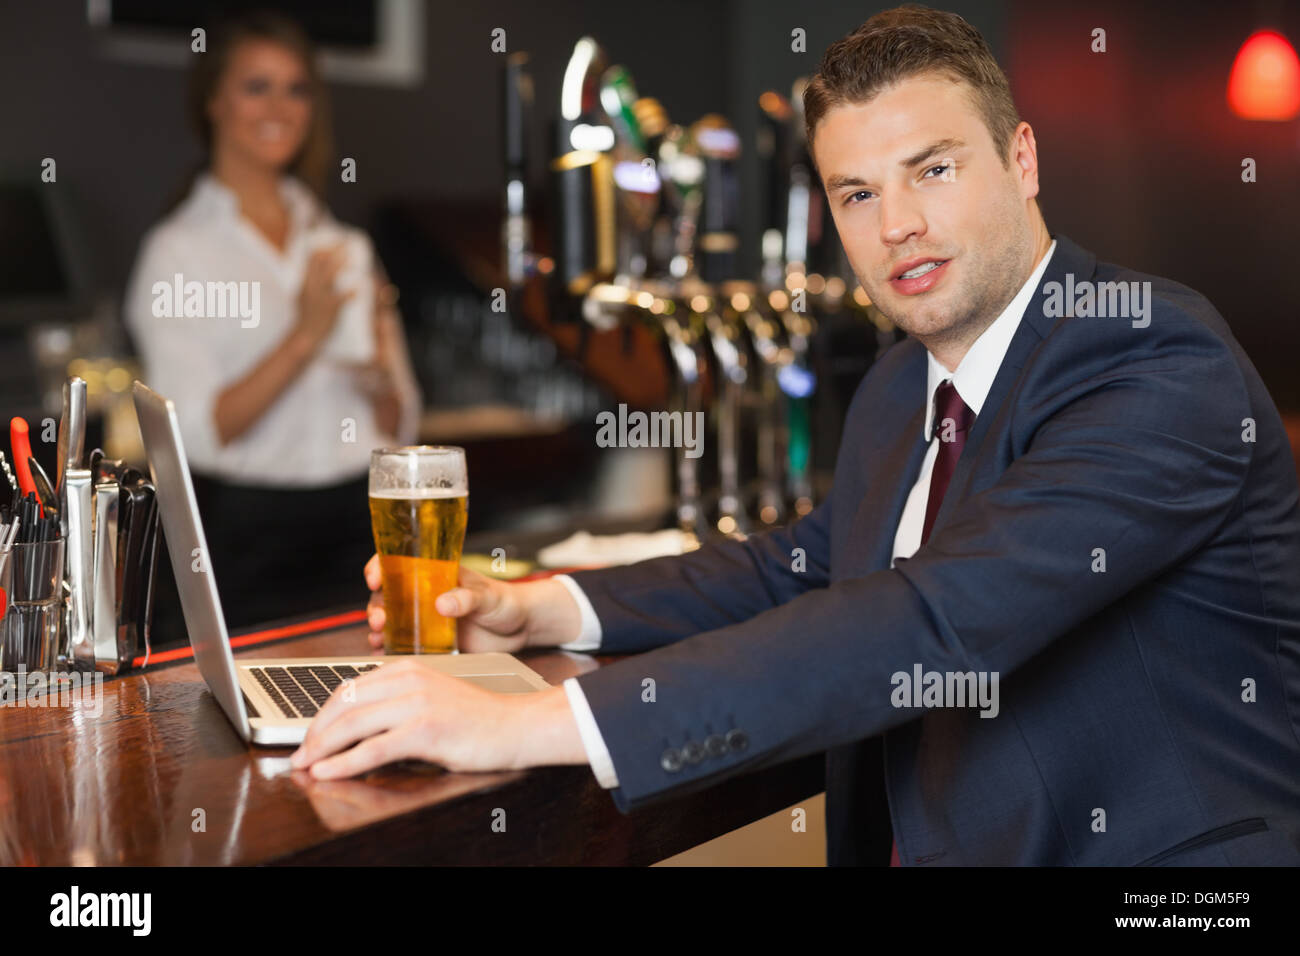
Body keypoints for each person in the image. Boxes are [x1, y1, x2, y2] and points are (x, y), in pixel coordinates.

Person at [291, 6, 1300, 866]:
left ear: (1021, 158)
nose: (895, 223)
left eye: (932, 169)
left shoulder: (1154, 357)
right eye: (858, 193)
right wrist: (543, 609)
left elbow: (934, 618)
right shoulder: (904, 378)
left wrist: (529, 722)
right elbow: (805, 568)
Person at [124, 12, 421, 629]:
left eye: (296, 88)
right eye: (256, 86)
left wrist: (378, 364)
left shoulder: (345, 245)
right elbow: (198, 436)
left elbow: (400, 425)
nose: (279, 106)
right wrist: (307, 335)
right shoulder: (179, 252)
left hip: (356, 527)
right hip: (244, 542)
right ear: (213, 102)